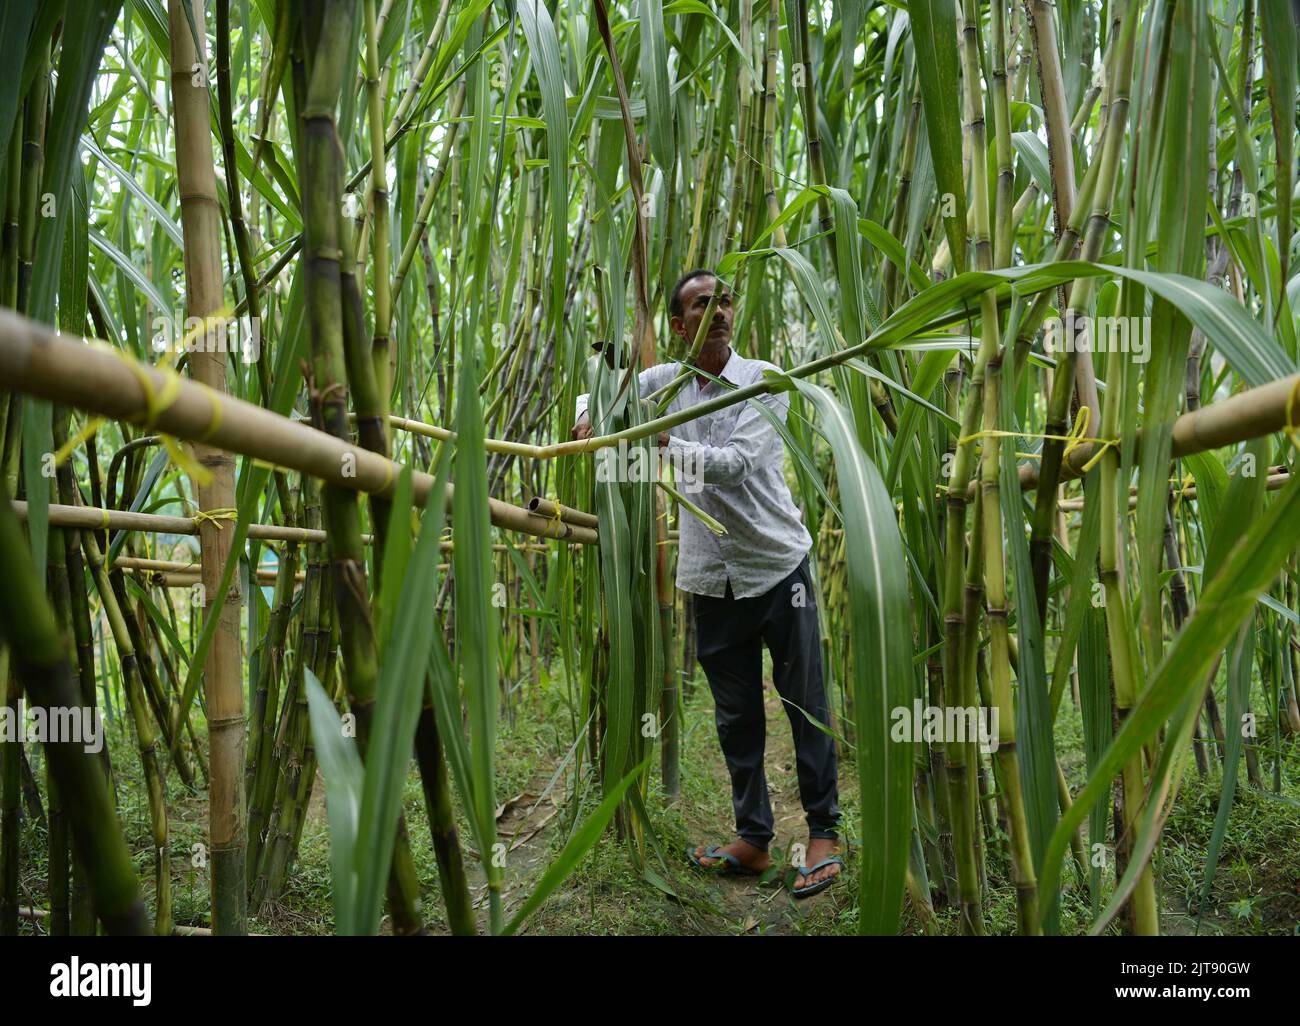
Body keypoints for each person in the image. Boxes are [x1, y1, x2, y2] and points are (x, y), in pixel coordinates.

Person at [572, 269, 842, 896]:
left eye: (724, 299)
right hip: (710, 577)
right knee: (735, 715)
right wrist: (591, 416)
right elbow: (598, 390)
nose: (719, 310)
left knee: (804, 702)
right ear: (678, 325)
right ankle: (753, 839)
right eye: (701, 303)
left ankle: (824, 831)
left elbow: (736, 466)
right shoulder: (662, 384)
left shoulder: (760, 381)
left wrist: (656, 439)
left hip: (778, 568)